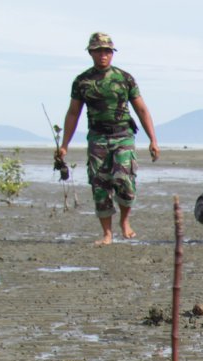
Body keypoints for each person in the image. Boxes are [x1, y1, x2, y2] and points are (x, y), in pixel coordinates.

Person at [57, 33, 159, 245]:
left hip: (123, 135)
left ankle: (125, 221)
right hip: (97, 137)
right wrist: (64, 145)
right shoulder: (82, 81)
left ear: (112, 53)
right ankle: (107, 234)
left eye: (107, 51)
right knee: (100, 185)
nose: (103, 55)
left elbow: (141, 108)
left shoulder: (124, 78)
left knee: (125, 180)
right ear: (91, 52)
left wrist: (153, 140)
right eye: (98, 51)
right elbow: (73, 113)